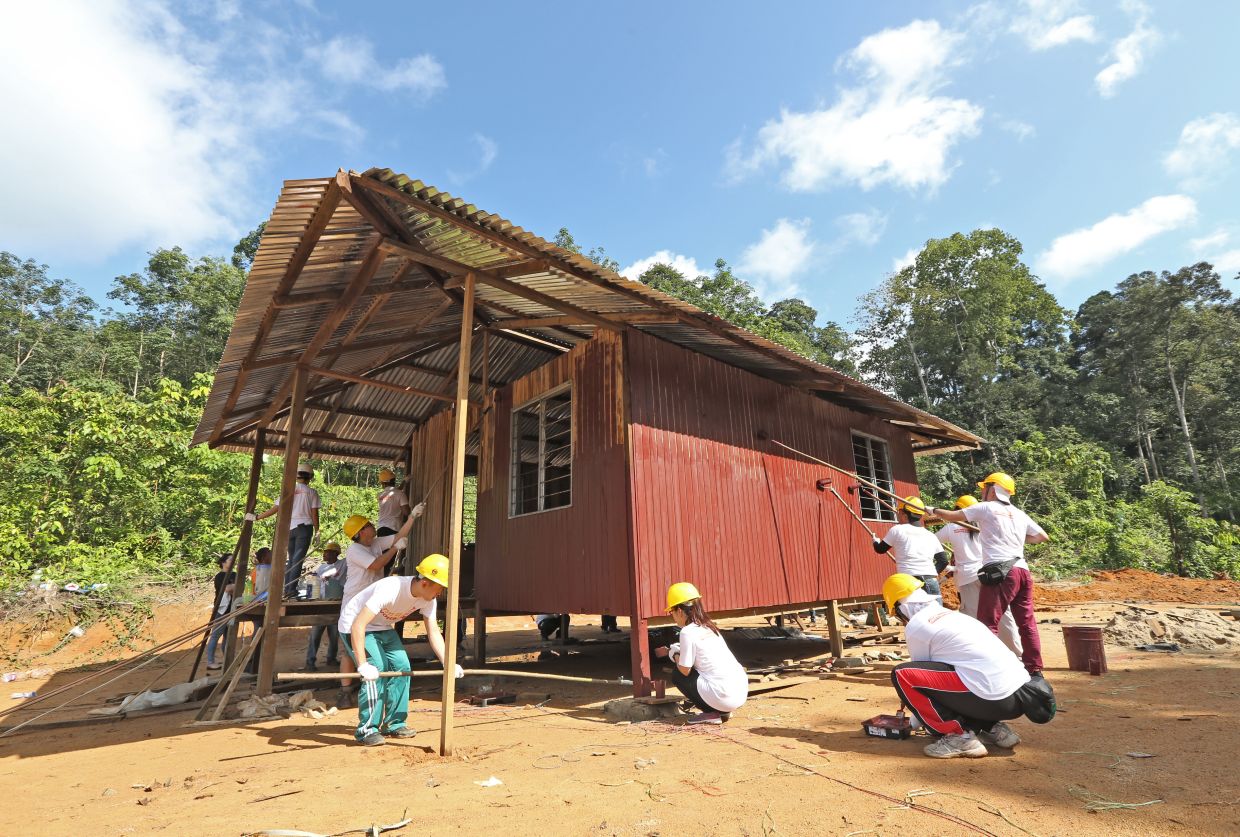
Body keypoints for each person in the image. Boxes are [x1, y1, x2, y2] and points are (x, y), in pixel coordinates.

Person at [883, 573, 1056, 758]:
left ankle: (960, 737)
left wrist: (914, 722)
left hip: (994, 699)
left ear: (902, 608)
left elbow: (919, 681)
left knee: (902, 674)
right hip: (1018, 696)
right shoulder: (953, 616)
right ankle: (993, 728)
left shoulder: (917, 625)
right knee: (966, 672)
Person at [928, 473, 1049, 676]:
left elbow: (951, 516)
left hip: (1000, 573)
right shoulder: (1019, 514)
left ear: (993, 489)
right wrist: (1015, 537)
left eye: (984, 487)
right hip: (1022, 571)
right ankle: (1034, 669)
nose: (982, 491)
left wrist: (932, 510)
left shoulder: (986, 508)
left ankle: (990, 668)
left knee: (987, 622)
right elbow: (1042, 536)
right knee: (1026, 622)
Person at [338, 554, 463, 746]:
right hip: (354, 625)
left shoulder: (428, 599)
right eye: (440, 588)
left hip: (382, 626)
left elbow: (433, 632)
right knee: (376, 668)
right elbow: (358, 625)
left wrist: (449, 663)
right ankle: (367, 730)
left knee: (402, 666)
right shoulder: (391, 589)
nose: (441, 593)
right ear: (425, 583)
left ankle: (394, 723)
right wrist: (362, 665)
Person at [336, 508, 423, 707]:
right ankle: (345, 692)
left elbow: (398, 536)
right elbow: (376, 565)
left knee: (373, 647)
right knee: (350, 650)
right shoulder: (355, 550)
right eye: (368, 525)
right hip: (354, 604)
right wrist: (395, 550)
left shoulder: (375, 543)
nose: (372, 526)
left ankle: (377, 684)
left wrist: (412, 517)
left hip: (374, 603)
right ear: (360, 532)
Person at [937, 495, 1023, 656]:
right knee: (1002, 614)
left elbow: (932, 540)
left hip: (967, 577)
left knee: (971, 617)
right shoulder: (986, 524)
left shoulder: (952, 527)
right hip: (990, 573)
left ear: (957, 510)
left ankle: (977, 653)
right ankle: (1017, 652)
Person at [653, 582, 748, 725]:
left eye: (671, 612)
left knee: (677, 675)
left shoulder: (687, 632)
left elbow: (685, 670)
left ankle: (711, 713)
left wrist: (675, 654)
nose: (672, 616)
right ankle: (722, 710)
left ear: (680, 611)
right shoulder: (709, 625)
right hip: (739, 693)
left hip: (723, 696)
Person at [252, 461, 321, 597]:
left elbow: (276, 509)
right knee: (298, 560)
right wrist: (317, 530)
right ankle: (290, 590)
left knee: (292, 559)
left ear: (297, 476)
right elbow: (314, 514)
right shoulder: (312, 492)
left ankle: (287, 589)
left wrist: (257, 517)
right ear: (310, 477)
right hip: (304, 528)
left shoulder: (289, 490)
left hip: (290, 529)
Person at [872, 496, 947, 601]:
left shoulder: (897, 530)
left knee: (911, 611)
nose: (898, 515)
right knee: (935, 611)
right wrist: (930, 574)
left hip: (908, 581)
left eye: (899, 512)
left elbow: (880, 549)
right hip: (930, 580)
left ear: (904, 515)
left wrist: (875, 541)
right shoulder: (930, 535)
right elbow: (943, 560)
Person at [304, 542, 344, 672]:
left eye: (327, 552)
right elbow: (314, 583)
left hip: (334, 605)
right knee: (315, 635)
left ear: (335, 553)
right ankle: (310, 661)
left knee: (334, 635)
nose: (324, 554)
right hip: (321, 605)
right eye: (324, 552)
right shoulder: (320, 568)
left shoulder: (343, 565)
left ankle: (331, 658)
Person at [205, 553, 237, 670]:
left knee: (228, 637)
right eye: (230, 560)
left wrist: (233, 587)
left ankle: (228, 660)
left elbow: (241, 587)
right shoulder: (220, 576)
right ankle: (210, 662)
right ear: (223, 562)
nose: (233, 561)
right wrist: (234, 586)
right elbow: (227, 589)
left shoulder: (235, 574)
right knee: (215, 635)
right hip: (222, 609)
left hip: (233, 609)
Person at [375, 468, 410, 553]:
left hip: (381, 529)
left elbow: (394, 493)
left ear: (383, 483)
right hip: (392, 529)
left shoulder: (380, 495)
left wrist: (404, 482)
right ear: (394, 480)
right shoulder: (400, 494)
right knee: (390, 556)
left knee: (384, 555)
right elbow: (406, 512)